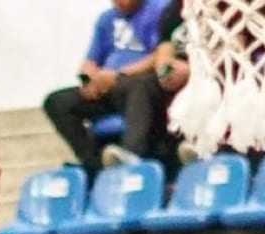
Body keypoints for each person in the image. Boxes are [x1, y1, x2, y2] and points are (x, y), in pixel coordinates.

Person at [43, 0, 167, 179]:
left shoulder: (159, 11)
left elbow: (159, 56)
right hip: (107, 88)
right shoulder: (106, 19)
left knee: (139, 85)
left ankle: (130, 156)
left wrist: (118, 75)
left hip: (140, 83)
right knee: (57, 102)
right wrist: (89, 78)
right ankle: (94, 164)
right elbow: (90, 61)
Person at [100, 0, 193, 169]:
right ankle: (100, 167)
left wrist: (194, 70)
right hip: (176, 78)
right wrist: (166, 73)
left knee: (138, 84)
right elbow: (164, 51)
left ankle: (134, 152)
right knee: (143, 84)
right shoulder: (175, 9)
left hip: (216, 73)